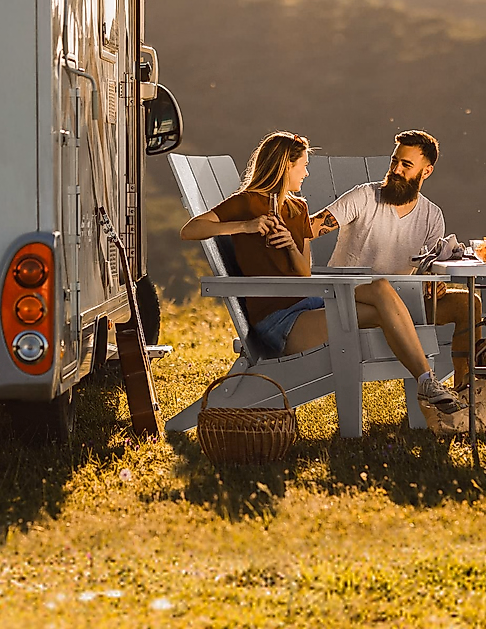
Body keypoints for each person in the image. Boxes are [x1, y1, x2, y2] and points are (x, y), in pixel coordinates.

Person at [179, 131, 466, 429]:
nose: (307, 172)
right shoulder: (246, 203)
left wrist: (291, 244)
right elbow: (190, 230)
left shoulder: (297, 208)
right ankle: (427, 381)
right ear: (284, 167)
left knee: (382, 295)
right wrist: (245, 226)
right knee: (387, 307)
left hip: (310, 307)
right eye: (302, 165)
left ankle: (426, 382)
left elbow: (303, 273)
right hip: (280, 321)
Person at [307, 130, 477, 430]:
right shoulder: (364, 197)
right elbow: (313, 227)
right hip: (346, 301)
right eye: (394, 161)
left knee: (469, 304)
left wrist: (433, 282)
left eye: (406, 165)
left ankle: (465, 394)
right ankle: (427, 381)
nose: (396, 170)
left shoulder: (431, 215)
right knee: (381, 287)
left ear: (426, 171)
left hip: (401, 304)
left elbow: (431, 268)